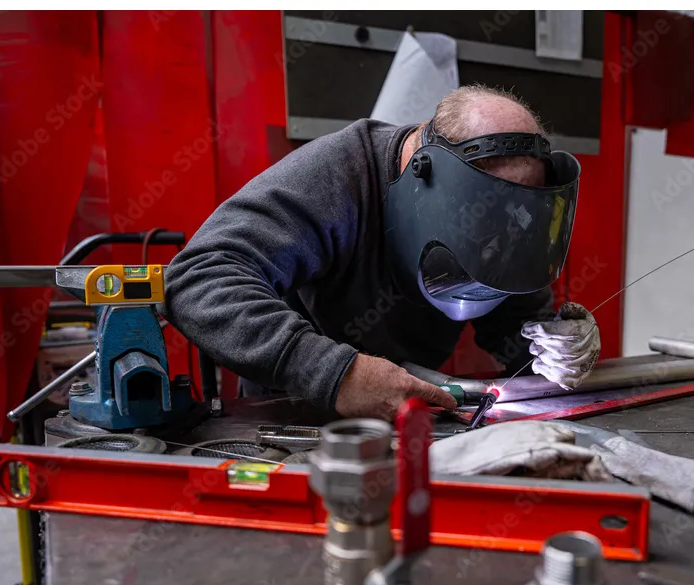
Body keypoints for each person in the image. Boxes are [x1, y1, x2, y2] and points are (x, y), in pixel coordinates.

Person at [165, 85, 600, 421]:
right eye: (483, 231)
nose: (498, 246)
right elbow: (199, 276)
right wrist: (336, 373)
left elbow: (512, 318)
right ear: (423, 179)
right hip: (298, 411)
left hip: (412, 409)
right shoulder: (336, 176)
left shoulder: (506, 203)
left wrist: (550, 347)